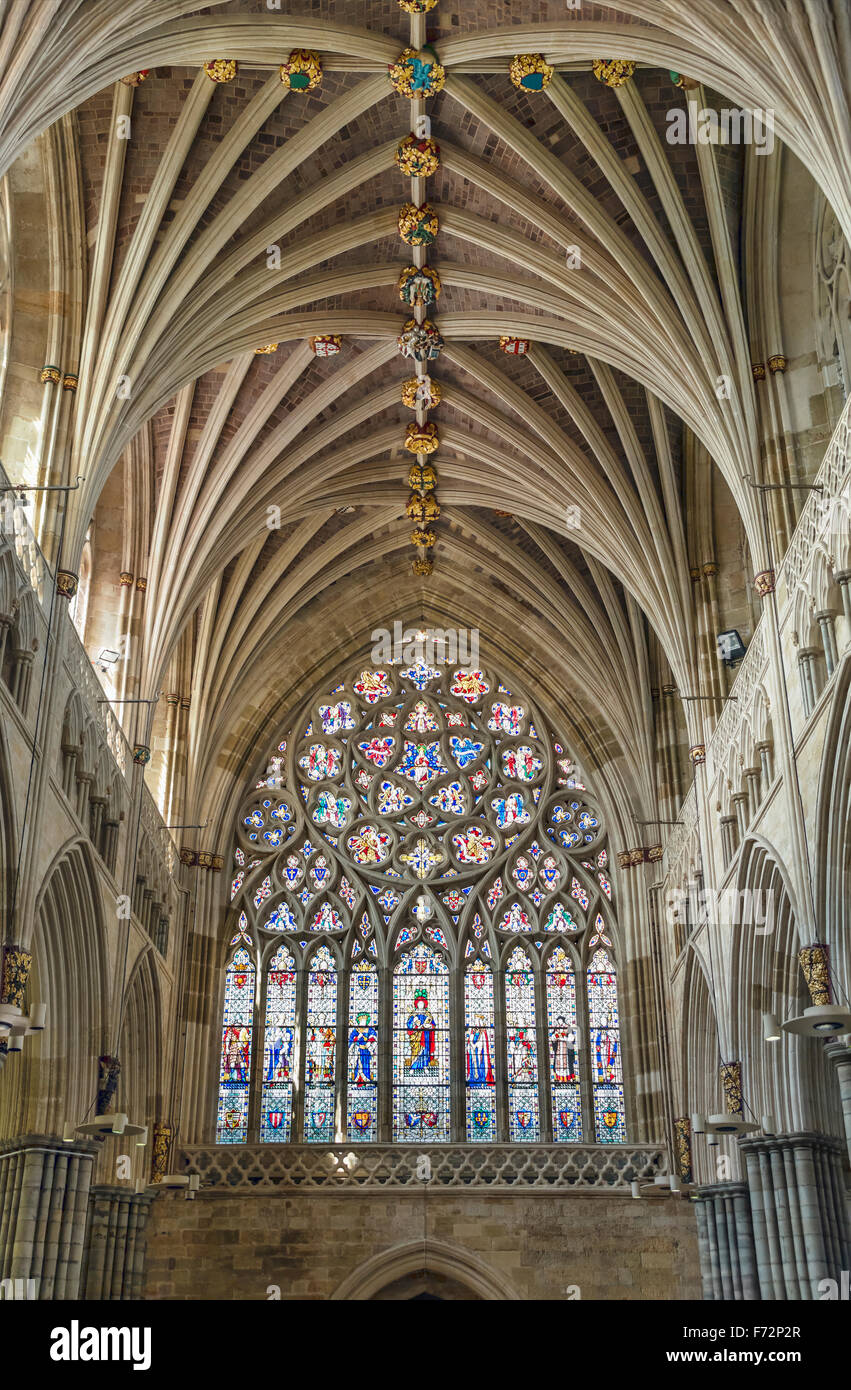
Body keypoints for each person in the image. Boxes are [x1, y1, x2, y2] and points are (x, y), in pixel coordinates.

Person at [406, 991, 436, 1072]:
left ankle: (425, 1066)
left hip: (425, 1035)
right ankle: (413, 1066)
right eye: (419, 1003)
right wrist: (415, 1024)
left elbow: (433, 1025)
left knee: (425, 1051)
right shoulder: (413, 1015)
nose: (420, 1005)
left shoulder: (428, 1015)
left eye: (422, 1003)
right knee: (415, 1050)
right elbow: (409, 1025)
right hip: (416, 1036)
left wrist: (430, 1026)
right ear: (416, 1004)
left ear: (425, 1004)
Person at [348, 1013, 377, 1084]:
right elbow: (351, 1040)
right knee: (357, 1066)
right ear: (358, 1020)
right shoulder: (356, 1030)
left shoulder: (370, 1029)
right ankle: (356, 1081)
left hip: (367, 1051)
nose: (363, 1021)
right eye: (361, 1019)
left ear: (367, 1020)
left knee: (366, 1066)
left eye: (364, 1019)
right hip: (358, 1051)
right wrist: (357, 1038)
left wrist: (369, 1042)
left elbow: (373, 1037)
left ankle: (367, 1081)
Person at [466, 1016, 494, 1086]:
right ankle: (473, 1080)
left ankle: (482, 1079)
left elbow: (484, 1043)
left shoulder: (483, 1033)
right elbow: (470, 1042)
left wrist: (479, 1046)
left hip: (481, 1052)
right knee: (473, 1065)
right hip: (473, 1052)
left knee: (481, 1065)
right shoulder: (473, 1031)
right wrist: (473, 1045)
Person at [551, 1016, 577, 1082]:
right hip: (559, 1048)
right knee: (558, 1062)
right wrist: (555, 1038)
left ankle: (568, 1078)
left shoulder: (567, 1027)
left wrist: (565, 1038)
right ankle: (560, 1078)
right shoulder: (556, 1028)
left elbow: (571, 1038)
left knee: (567, 1062)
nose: (559, 1022)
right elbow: (553, 1037)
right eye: (558, 1020)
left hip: (566, 1048)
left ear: (563, 1020)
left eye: (560, 1020)